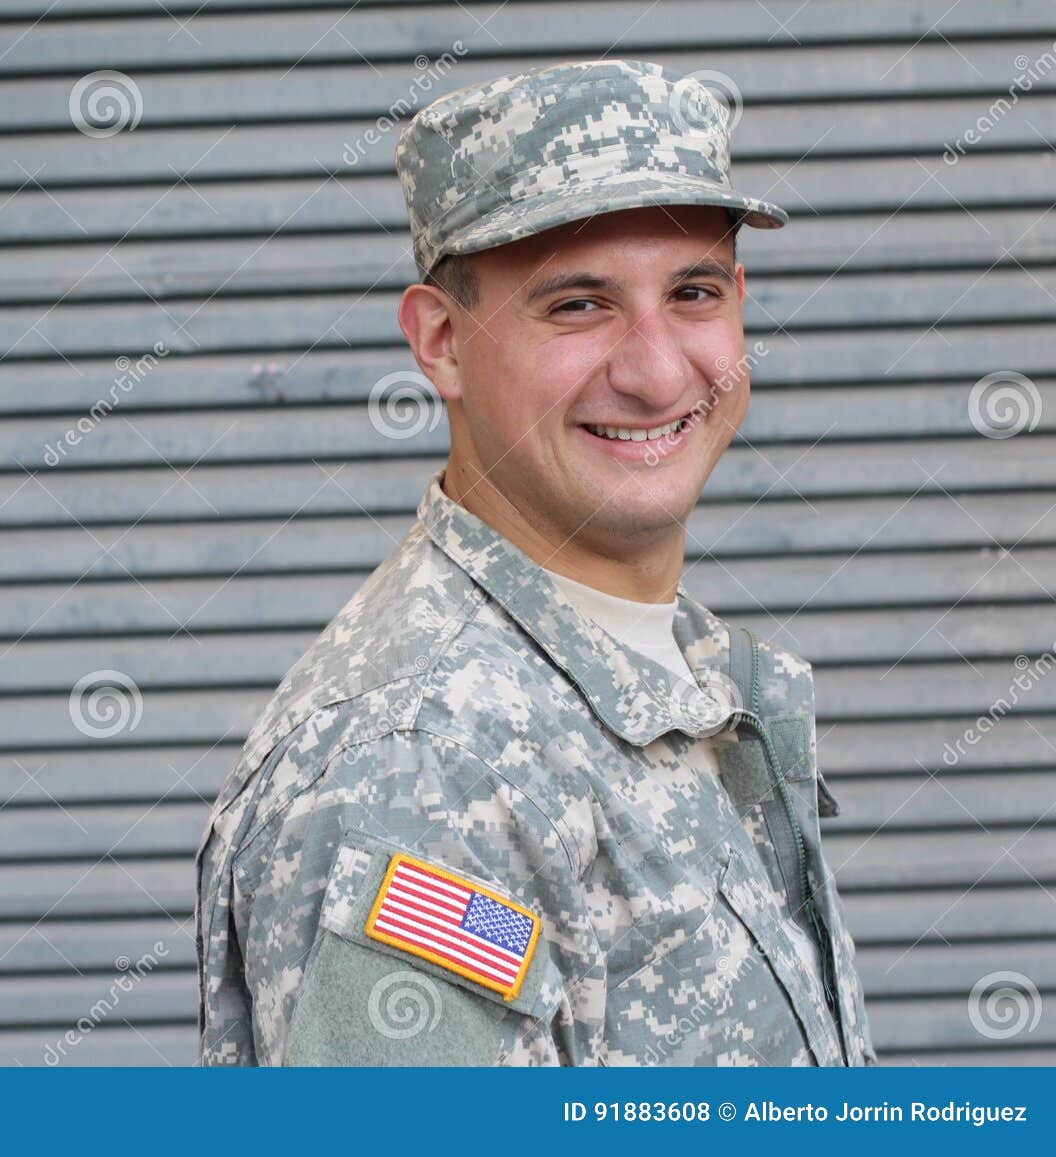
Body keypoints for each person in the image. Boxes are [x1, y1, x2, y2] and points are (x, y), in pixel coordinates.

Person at [194, 58, 878, 1065]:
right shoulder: (421, 760)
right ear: (441, 342)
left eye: (691, 292)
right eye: (576, 306)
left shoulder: (668, 662)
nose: (655, 372)